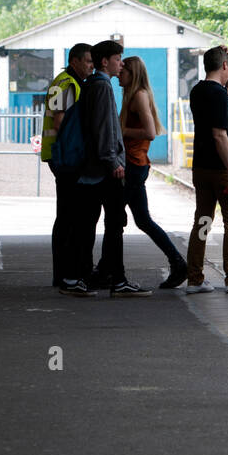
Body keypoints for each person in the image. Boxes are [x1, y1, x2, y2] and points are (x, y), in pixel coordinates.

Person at [61, 39, 149, 298]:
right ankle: (87, 278)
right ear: (105, 61)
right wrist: (113, 161)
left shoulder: (95, 85)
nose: (121, 64)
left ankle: (94, 277)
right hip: (103, 169)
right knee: (108, 224)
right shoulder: (101, 87)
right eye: (117, 59)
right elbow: (103, 129)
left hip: (97, 167)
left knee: (100, 223)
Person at [184, 45, 228, 294]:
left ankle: (195, 278)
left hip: (201, 169)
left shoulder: (199, 90)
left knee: (202, 220)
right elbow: (220, 135)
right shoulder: (218, 95)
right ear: (224, 65)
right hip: (223, 170)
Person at [118, 55, 187, 289]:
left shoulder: (138, 96)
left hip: (134, 165)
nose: (119, 73)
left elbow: (149, 132)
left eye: (123, 71)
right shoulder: (133, 95)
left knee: (119, 218)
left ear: (133, 74)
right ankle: (177, 262)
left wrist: (121, 130)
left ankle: (110, 270)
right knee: (142, 220)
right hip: (134, 164)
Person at [44, 43, 92, 288]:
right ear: (75, 61)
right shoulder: (66, 84)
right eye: (88, 61)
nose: (91, 66)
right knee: (68, 216)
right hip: (65, 158)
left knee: (67, 215)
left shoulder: (66, 81)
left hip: (62, 156)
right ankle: (65, 274)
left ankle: (63, 272)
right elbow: (61, 121)